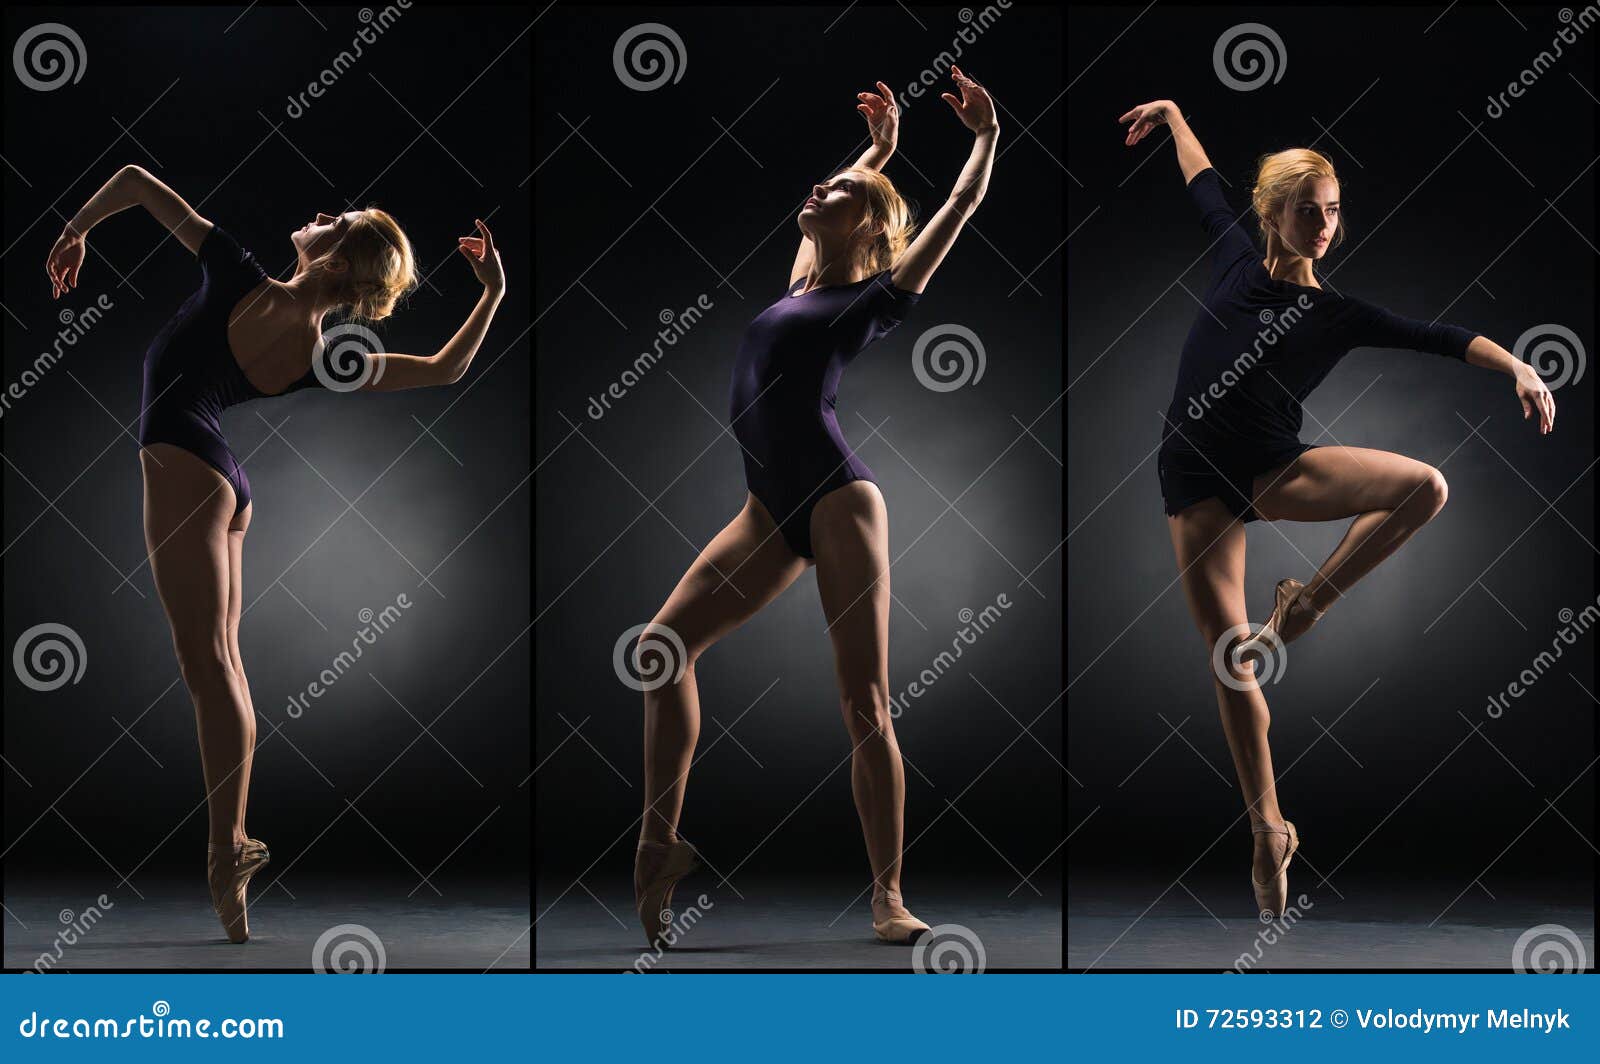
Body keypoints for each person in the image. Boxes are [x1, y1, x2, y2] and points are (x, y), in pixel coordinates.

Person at [45, 166, 507, 941]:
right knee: (221, 662)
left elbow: (134, 181)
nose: (321, 212)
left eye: (337, 217)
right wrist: (491, 294)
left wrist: (74, 228)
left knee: (209, 666)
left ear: (332, 259)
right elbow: (445, 369)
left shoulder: (237, 269)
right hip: (224, 481)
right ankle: (231, 852)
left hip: (186, 463)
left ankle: (227, 847)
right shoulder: (322, 352)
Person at [1119, 98, 1555, 916]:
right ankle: (1268, 830)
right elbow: (1201, 179)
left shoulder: (1338, 312)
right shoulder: (1231, 257)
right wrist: (1176, 116)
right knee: (1232, 662)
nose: (1323, 225)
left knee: (1425, 485)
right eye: (1306, 212)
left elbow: (1442, 337)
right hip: (1194, 477)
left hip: (1275, 469)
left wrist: (1520, 368)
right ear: (1272, 215)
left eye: (1332, 213)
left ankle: (1307, 603)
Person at [632, 69, 999, 948]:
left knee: (864, 703)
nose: (816, 189)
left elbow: (954, 208)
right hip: (767, 505)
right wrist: (878, 150)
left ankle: (888, 897)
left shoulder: (876, 296)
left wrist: (985, 138)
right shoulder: (801, 279)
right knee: (659, 651)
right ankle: (657, 845)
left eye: (837, 192)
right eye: (822, 184)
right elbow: (841, 204)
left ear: (870, 224)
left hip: (839, 501)